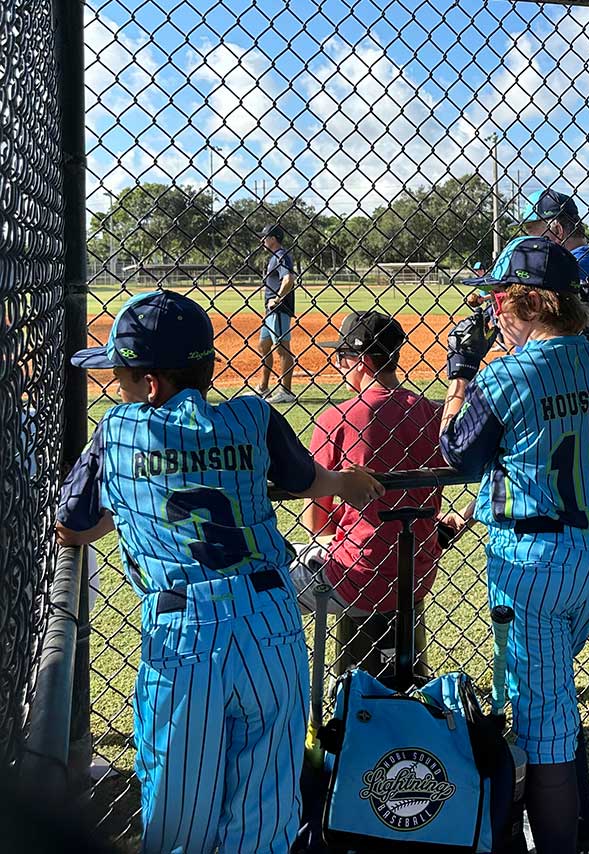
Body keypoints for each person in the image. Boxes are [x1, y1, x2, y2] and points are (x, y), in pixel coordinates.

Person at [54, 290, 385, 854]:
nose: (117, 385)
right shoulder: (252, 415)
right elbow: (304, 479)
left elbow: (73, 523)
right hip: (270, 625)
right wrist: (344, 482)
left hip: (184, 638)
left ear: (152, 385)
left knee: (180, 818)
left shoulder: (116, 431)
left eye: (122, 375)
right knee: (265, 813)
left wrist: (134, 506)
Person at [439, 236, 589, 854]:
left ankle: (564, 844)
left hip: (533, 564)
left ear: (529, 302)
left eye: (500, 299)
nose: (493, 313)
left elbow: (456, 451)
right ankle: (584, 832)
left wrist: (460, 374)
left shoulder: (507, 373)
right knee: (553, 702)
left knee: (544, 724)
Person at [291, 310, 447, 679]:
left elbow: (318, 521)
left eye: (342, 357)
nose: (340, 365)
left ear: (361, 362)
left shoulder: (336, 418)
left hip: (356, 576)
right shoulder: (432, 412)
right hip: (418, 572)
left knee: (264, 580)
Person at [520, 188, 589, 351]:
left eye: (532, 233)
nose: (529, 242)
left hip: (568, 367)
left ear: (558, 231)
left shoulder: (572, 268)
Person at [256, 223, 298, 404]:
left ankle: (286, 391)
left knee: (282, 349)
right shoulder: (274, 257)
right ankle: (263, 388)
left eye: (264, 236)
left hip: (279, 309)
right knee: (263, 346)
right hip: (270, 311)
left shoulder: (281, 255)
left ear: (273, 238)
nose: (262, 240)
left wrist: (278, 299)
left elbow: (289, 279)